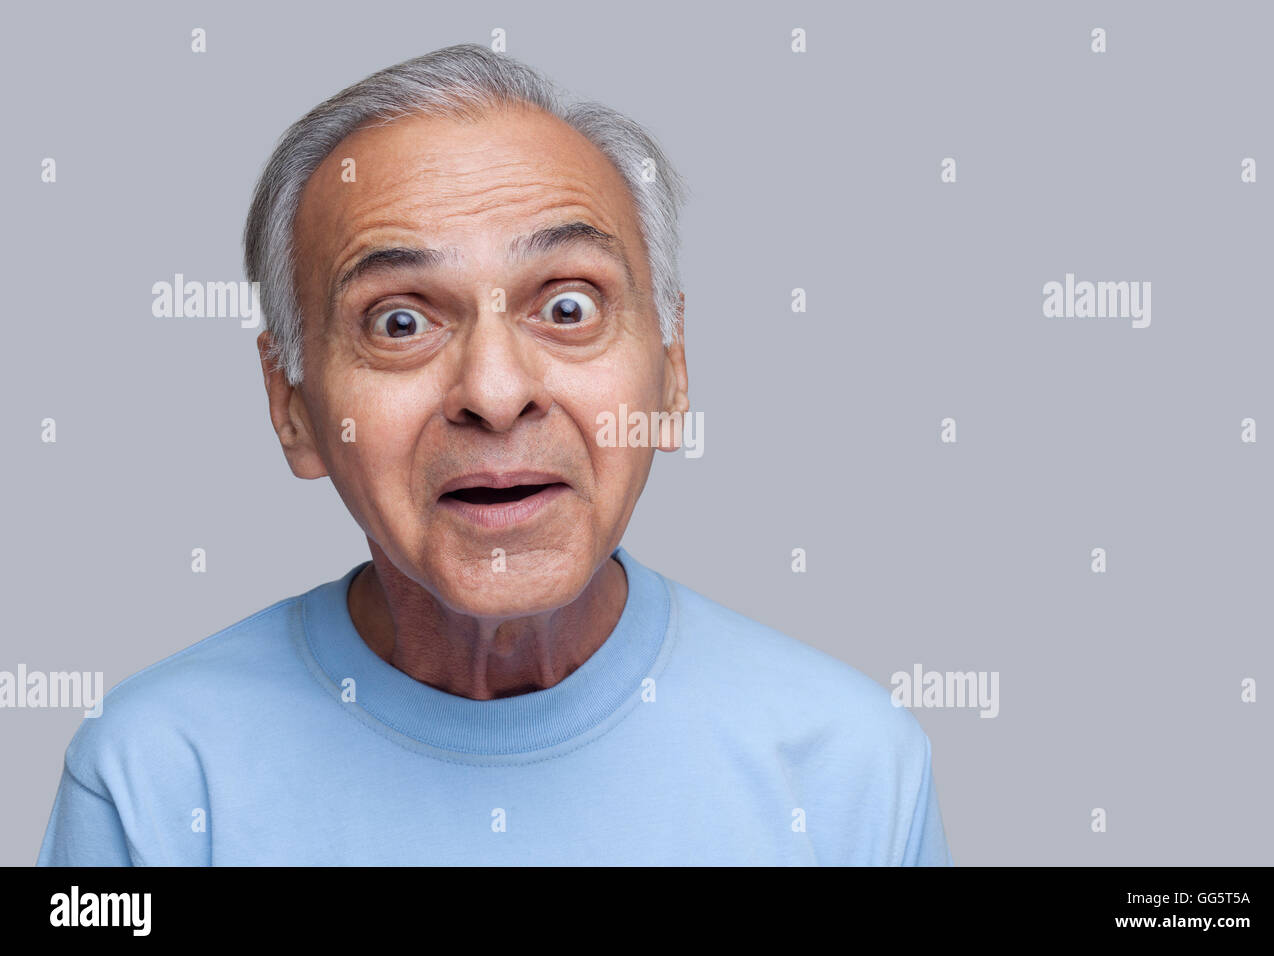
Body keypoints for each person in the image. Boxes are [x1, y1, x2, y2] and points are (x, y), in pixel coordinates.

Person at [37, 43, 953, 866]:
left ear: (673, 371)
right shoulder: (153, 778)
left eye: (567, 307)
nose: (495, 390)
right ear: (293, 405)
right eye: (400, 321)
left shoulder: (851, 769)